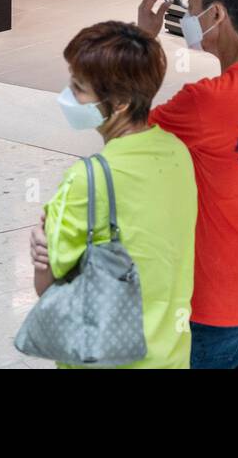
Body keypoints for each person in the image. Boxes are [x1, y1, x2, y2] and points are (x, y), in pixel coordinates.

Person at [35, 0, 238, 369]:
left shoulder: (204, 103)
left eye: (191, 5)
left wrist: (143, 37)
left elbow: (124, 126)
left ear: (216, 13)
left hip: (217, 311)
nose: (187, 15)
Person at [33, 21, 197, 369]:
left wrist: (40, 256)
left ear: (119, 103)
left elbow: (48, 289)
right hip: (171, 355)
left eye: (79, 88)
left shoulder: (85, 180)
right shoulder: (178, 153)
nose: (68, 96)